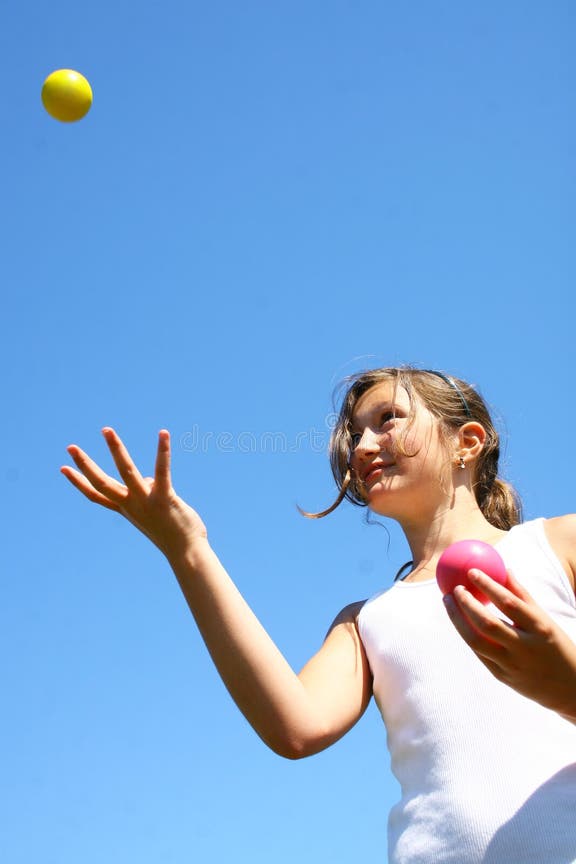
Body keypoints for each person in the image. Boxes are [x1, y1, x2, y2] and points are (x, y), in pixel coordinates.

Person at [61, 365, 576, 863]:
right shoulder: (366, 620)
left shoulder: (559, 545)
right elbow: (295, 727)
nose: (363, 446)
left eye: (388, 419)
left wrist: (563, 684)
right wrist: (188, 550)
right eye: (355, 434)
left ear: (467, 441)